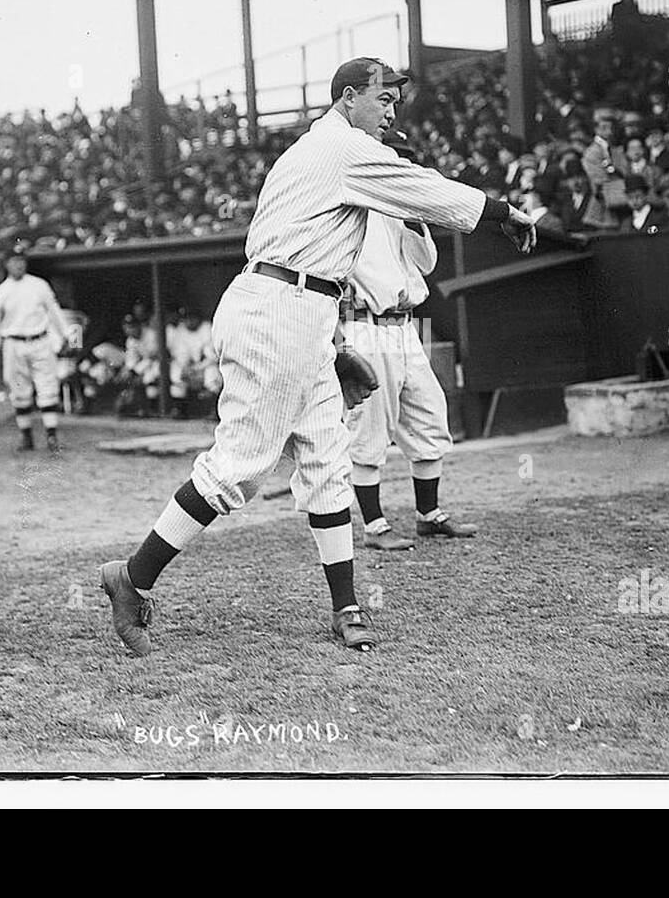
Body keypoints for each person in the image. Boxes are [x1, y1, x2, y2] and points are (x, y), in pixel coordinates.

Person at [99, 57, 536, 656]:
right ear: (348, 97)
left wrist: (332, 346)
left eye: (394, 103)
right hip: (277, 310)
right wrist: (502, 212)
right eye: (382, 100)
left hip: (301, 308)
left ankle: (346, 608)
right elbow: (426, 189)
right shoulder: (340, 147)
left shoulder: (323, 152)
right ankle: (133, 577)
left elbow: (310, 258)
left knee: (327, 462)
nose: (390, 112)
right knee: (241, 468)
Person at [344, 129, 477, 553]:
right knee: (369, 428)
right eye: (396, 161)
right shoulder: (354, 207)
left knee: (429, 413)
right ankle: (375, 524)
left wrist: (413, 215)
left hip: (404, 327)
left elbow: (426, 263)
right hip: (366, 324)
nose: (403, 169)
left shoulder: (402, 212)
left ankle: (428, 515)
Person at [0, 243, 69, 452]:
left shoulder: (39, 285)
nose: (18, 265)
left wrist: (66, 337)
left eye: (21, 261)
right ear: (7, 264)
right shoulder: (0, 292)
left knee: (47, 386)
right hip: (14, 343)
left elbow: (54, 311)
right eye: (14, 262)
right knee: (19, 388)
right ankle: (26, 436)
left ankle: (51, 436)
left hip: (40, 340)